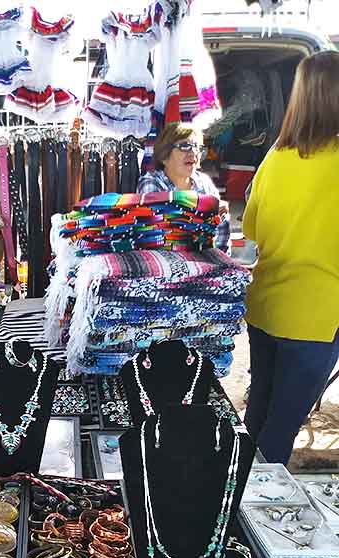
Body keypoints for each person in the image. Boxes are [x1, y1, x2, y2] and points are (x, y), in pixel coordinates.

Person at [242, 50, 339, 464]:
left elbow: (252, 229)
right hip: (316, 317)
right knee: (280, 428)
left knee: (258, 416)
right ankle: (250, 517)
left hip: (266, 306)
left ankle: (229, 498)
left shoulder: (276, 158)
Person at [137, 121, 231, 253]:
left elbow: (221, 240)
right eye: (185, 146)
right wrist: (205, 215)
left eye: (197, 147)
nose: (193, 153)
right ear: (165, 156)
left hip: (205, 264)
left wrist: (219, 216)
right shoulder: (151, 183)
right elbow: (158, 233)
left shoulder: (204, 183)